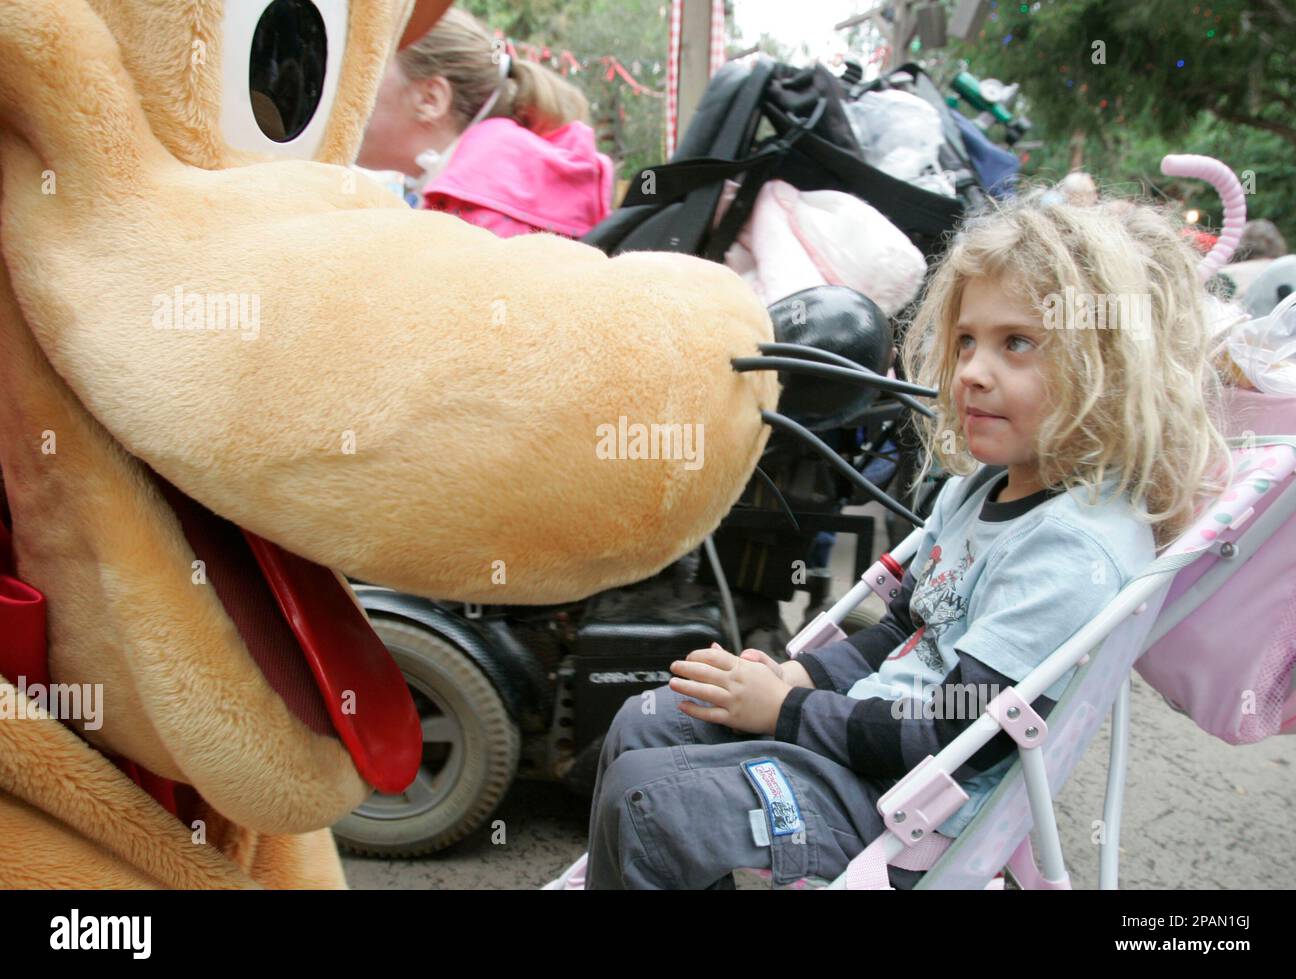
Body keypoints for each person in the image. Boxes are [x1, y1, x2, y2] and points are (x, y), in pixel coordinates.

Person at [573, 191, 1233, 889]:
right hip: (860, 739)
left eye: (1016, 343)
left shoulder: (1072, 552)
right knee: (646, 719)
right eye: (967, 340)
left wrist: (786, 710)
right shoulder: (980, 489)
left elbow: (953, 734)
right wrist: (798, 675)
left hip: (911, 804)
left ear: (1109, 365)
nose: (973, 370)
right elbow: (899, 622)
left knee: (649, 802)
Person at [356, 8, 613, 237]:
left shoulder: (480, 222)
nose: (349, 92)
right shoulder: (481, 195)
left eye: (370, 71)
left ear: (430, 98)